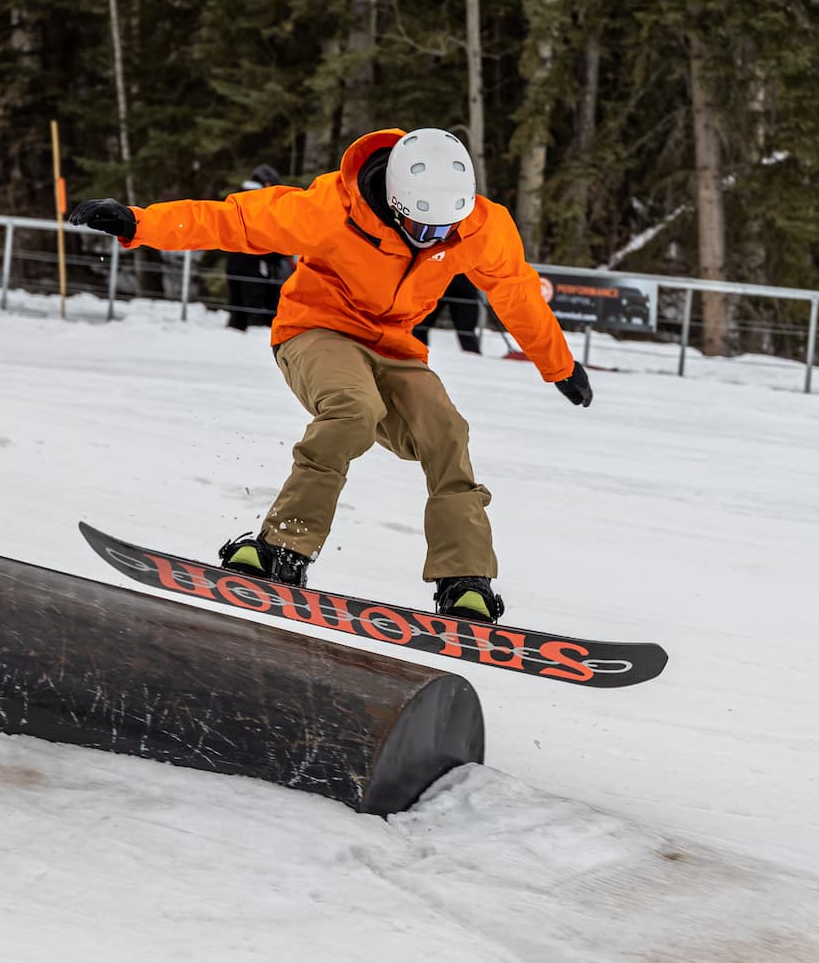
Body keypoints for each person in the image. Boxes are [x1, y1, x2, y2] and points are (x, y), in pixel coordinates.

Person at [67, 127, 591, 621]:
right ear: (394, 200)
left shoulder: (480, 225)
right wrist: (140, 221)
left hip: (396, 345)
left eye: (443, 230)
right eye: (420, 226)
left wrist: (558, 365)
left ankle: (465, 579)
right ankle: (281, 546)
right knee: (353, 412)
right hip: (317, 330)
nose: (432, 239)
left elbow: (516, 294)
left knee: (447, 433)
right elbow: (236, 221)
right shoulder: (331, 209)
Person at [223, 163, 288, 330]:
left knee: (236, 295)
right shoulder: (260, 200)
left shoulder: (239, 196)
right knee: (254, 296)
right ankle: (254, 326)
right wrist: (276, 253)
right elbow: (264, 229)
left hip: (233, 256)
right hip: (254, 257)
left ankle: (236, 326)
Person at [413, 273, 484, 353]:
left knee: (466, 332)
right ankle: (416, 354)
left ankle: (474, 361)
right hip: (439, 279)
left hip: (464, 281)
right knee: (420, 325)